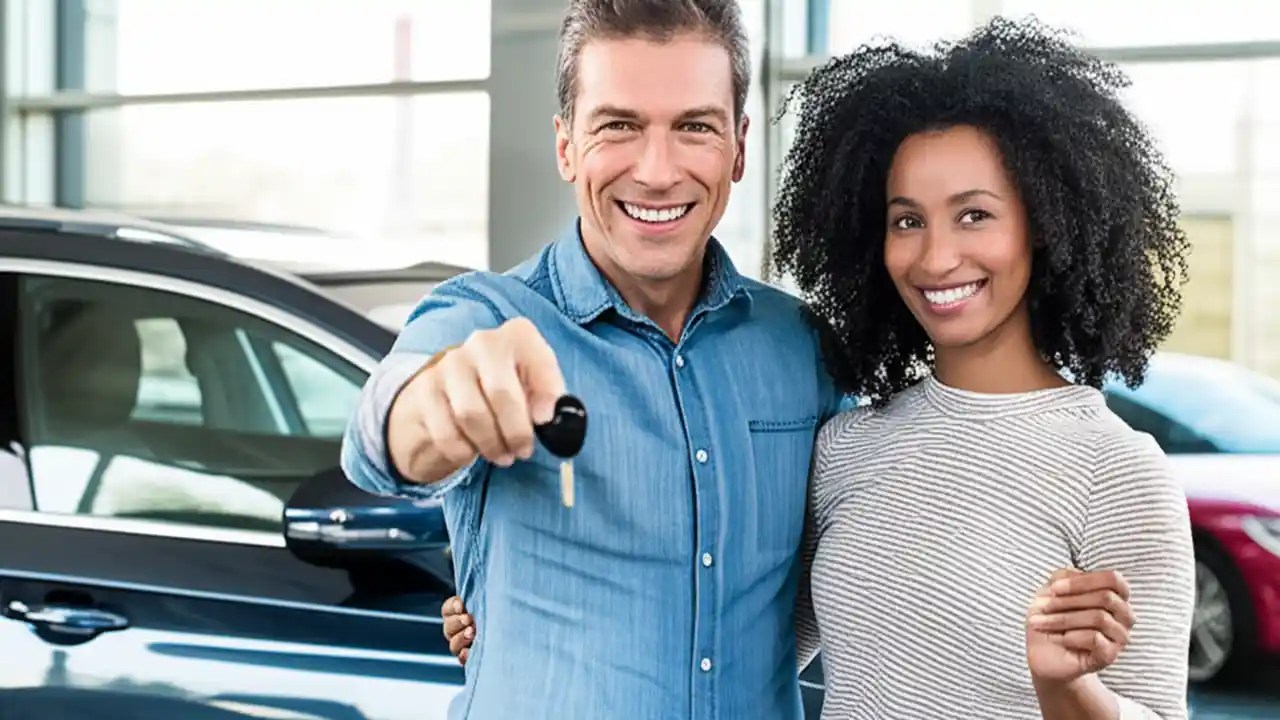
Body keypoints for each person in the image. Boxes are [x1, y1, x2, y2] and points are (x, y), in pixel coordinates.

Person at [441, 15, 1196, 719]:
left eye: (975, 214)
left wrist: (1067, 688)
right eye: (907, 220)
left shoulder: (1118, 474)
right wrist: (523, 618)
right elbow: (736, 631)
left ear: (1050, 223)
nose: (936, 257)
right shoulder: (847, 446)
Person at [341, 2, 848, 718]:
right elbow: (383, 433)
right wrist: (440, 403)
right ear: (566, 145)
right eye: (619, 126)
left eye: (694, 127)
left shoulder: (802, 346)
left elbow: (850, 561)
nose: (657, 170)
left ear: (738, 147)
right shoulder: (484, 316)